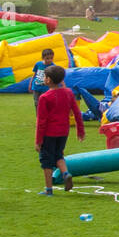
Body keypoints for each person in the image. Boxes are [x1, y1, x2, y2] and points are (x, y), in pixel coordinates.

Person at [34, 65, 85, 196]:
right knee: (58, 155)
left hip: (49, 133)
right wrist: (80, 130)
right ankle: (66, 173)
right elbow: (77, 113)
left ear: (48, 80)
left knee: (46, 161)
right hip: (63, 132)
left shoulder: (44, 97)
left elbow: (41, 121)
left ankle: (48, 189)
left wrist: (38, 141)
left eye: (45, 77)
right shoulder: (68, 93)